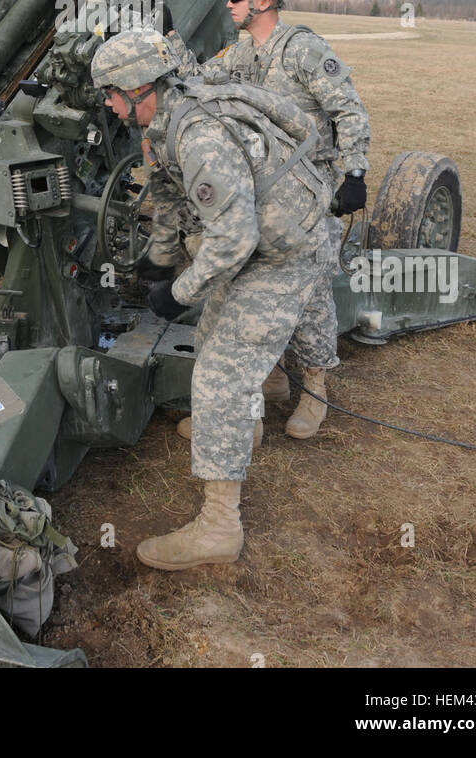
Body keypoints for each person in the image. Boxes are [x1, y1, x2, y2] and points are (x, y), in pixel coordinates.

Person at [91, 28, 332, 570]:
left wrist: (178, 293)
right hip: (263, 241)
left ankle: (220, 527)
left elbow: (234, 239)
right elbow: (171, 194)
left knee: (221, 373)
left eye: (110, 91)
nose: (108, 103)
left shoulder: (197, 133)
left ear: (138, 86)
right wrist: (160, 257)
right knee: (210, 336)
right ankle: (241, 428)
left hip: (284, 250)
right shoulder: (168, 120)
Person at [170, 0, 371, 439]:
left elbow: (348, 109)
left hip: (311, 193)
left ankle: (316, 391)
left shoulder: (302, 50)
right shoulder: (241, 54)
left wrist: (355, 173)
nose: (230, 5)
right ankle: (273, 381)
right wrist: (168, 39)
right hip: (262, 192)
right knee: (256, 285)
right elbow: (195, 79)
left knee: (311, 294)